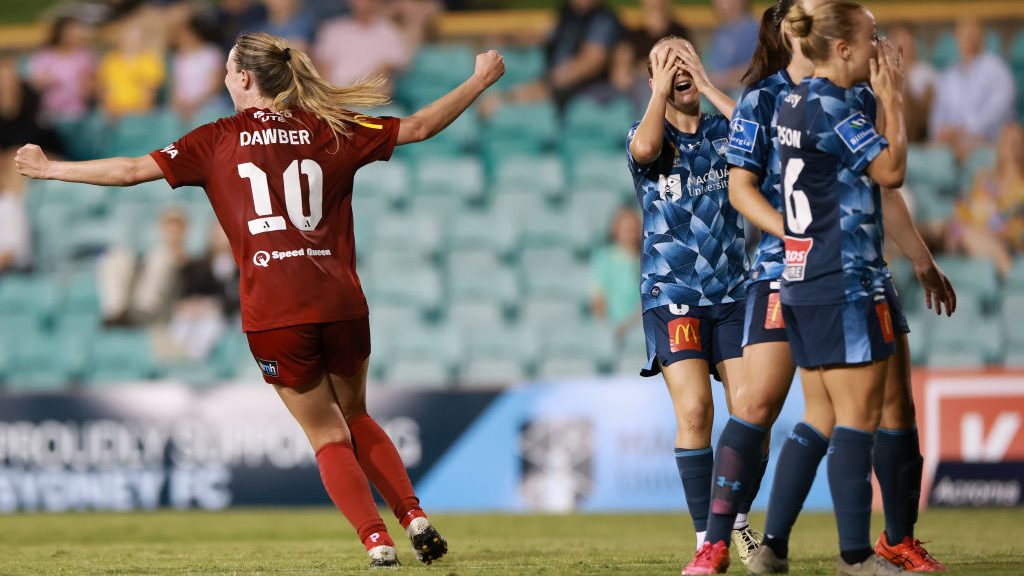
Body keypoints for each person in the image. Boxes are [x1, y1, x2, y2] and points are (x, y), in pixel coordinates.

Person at [15, 31, 505, 567]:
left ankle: (377, 542)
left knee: (326, 435)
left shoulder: (216, 139)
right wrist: (479, 79)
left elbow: (132, 170)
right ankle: (414, 517)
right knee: (357, 416)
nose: (225, 77)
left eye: (228, 69)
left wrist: (51, 169)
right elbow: (419, 127)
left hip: (274, 310)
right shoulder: (330, 127)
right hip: (340, 299)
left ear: (244, 79)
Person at [720, 2, 954, 575]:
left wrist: (919, 259)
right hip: (837, 273)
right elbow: (890, 174)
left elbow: (876, 192)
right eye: (872, 36)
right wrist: (895, 96)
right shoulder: (828, 102)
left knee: (824, 415)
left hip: (815, 275)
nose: (881, 46)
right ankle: (855, 557)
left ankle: (776, 545)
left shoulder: (798, 102)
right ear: (840, 44)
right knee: (855, 416)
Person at [625, 35, 751, 573]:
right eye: (665, 62)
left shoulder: (728, 128)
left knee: (753, 414)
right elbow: (646, 151)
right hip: (674, 294)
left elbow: (762, 135)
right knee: (697, 411)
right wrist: (659, 87)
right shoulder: (644, 134)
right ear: (651, 78)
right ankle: (708, 539)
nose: (678, 67)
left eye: (685, 56)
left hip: (734, 292)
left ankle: (735, 521)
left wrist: (706, 83)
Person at [479, 0, 623, 115]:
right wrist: (510, 38)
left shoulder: (603, 19)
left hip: (586, 95)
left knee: (498, 105)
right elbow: (543, 34)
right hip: (556, 89)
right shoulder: (568, 13)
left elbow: (590, 63)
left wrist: (539, 87)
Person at [929, 17, 1016, 162]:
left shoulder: (998, 70)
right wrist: (946, 135)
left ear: (982, 37)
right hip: (948, 150)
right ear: (956, 38)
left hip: (986, 146)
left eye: (972, 32)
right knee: (911, 162)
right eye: (963, 33)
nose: (967, 38)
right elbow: (936, 122)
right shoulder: (948, 76)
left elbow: (997, 114)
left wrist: (965, 133)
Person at [948, 122, 1024, 279]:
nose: (1010, 147)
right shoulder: (983, 178)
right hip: (969, 233)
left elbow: (1017, 231)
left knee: (964, 233)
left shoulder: (1021, 187)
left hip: (1003, 243)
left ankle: (1005, 270)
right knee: (937, 230)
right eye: (1005, 141)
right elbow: (963, 210)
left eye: (1016, 142)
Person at [314, 0, 411, 95]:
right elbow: (323, 71)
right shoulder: (333, 29)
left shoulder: (390, 32)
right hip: (334, 96)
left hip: (370, 98)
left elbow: (384, 73)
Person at [610, 0, 691, 109]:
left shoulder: (680, 34)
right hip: (636, 90)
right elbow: (620, 73)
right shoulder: (633, 36)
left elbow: (684, 69)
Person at [27, 16, 97, 123]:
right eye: (71, 33)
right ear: (61, 34)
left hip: (78, 113)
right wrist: (43, 81)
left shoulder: (85, 56)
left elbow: (92, 86)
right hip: (50, 112)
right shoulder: (45, 56)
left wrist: (88, 86)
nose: (75, 36)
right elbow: (34, 84)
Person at [589, 205, 641, 337]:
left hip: (639, 327)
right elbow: (598, 297)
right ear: (616, 229)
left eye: (634, 228)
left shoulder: (647, 260)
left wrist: (629, 325)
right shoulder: (604, 258)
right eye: (626, 228)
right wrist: (606, 326)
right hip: (612, 326)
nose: (631, 232)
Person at [97, 21, 166, 117]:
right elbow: (102, 87)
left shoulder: (150, 61)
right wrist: (110, 108)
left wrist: (133, 112)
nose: (131, 41)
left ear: (142, 41)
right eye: (128, 37)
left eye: (136, 38)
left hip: (139, 114)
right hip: (111, 114)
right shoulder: (110, 60)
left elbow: (150, 92)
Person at [170, 15, 225, 121]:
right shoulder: (178, 57)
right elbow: (176, 87)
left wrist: (195, 103)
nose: (179, 39)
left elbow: (216, 85)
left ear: (193, 34)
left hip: (209, 107)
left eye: (183, 34)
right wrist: (178, 105)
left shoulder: (211, 53)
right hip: (183, 109)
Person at [705, 0, 761, 95]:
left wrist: (718, 81)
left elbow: (759, 69)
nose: (719, 3)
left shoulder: (752, 29)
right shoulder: (720, 31)